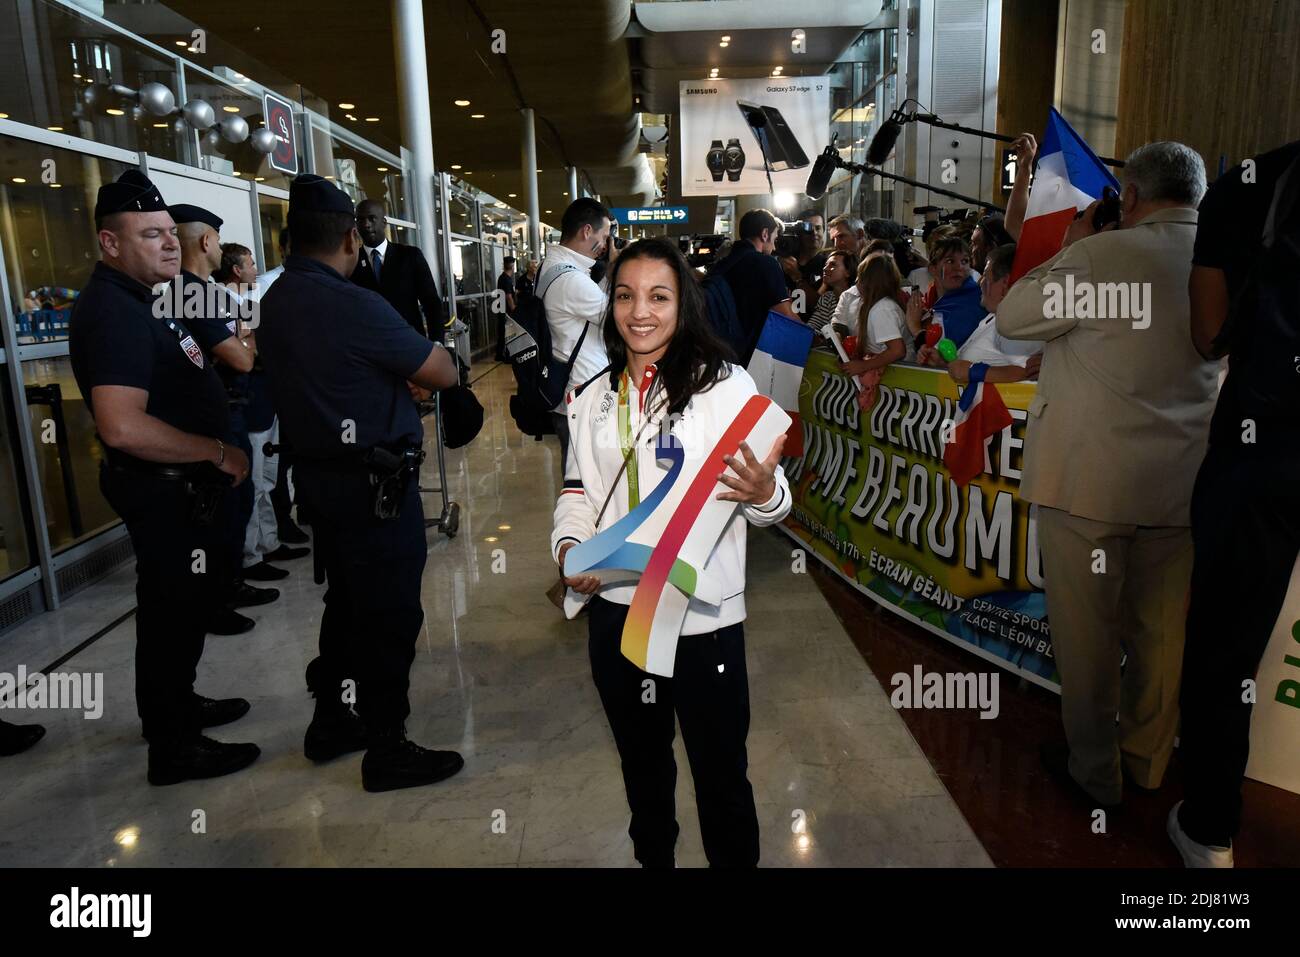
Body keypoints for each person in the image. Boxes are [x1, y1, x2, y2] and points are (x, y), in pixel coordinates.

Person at [552, 237, 791, 867]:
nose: (640, 312)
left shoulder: (725, 387)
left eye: (659, 296)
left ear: (683, 303)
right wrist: (569, 547)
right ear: (610, 305)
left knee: (722, 782)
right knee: (644, 777)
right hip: (617, 614)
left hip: (703, 622)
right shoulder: (591, 397)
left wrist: (765, 493)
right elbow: (577, 491)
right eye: (625, 295)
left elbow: (774, 497)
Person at [996, 141, 1219, 809]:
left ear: (1129, 198)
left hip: (1088, 486)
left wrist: (1070, 240)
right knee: (1160, 635)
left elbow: (1012, 317)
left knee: (1088, 638)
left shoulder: (1102, 254)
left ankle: (1096, 774)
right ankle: (1147, 764)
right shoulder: (1223, 259)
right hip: (1182, 485)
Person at [259, 174, 462, 793]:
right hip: (376, 493)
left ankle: (330, 719)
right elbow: (443, 370)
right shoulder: (355, 304)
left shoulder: (278, 298)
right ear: (351, 236)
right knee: (390, 615)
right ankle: (387, 745)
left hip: (320, 486)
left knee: (346, 606)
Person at [69, 170, 259, 785]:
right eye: (151, 235)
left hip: (185, 488)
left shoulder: (156, 295)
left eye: (170, 234)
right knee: (172, 610)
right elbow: (122, 426)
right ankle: (174, 748)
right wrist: (213, 451)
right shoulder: (114, 311)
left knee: (177, 608)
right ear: (111, 243)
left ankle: (175, 707)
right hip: (165, 487)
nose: (170, 244)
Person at [1170, 138, 1300, 868]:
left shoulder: (1250, 184)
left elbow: (1207, 337)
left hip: (1262, 453)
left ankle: (1211, 829)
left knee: (1225, 651)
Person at [171, 205, 280, 629]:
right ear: (205, 242)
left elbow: (247, 341)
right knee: (222, 510)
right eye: (217, 239)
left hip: (233, 407)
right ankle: (217, 596)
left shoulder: (208, 292)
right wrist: (244, 339)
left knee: (237, 504)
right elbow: (243, 357)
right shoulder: (190, 292)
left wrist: (244, 338)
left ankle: (231, 583)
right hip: (219, 411)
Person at [541, 197, 621, 466]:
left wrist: (609, 272)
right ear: (587, 231)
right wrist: (620, 268)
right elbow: (616, 317)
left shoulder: (552, 268)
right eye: (605, 235)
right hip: (583, 394)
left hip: (573, 393)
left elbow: (592, 307)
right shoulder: (571, 280)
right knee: (585, 481)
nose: (606, 244)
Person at [919, 243, 1042, 384]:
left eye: (986, 276)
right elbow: (969, 369)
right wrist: (944, 364)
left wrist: (973, 371)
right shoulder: (993, 318)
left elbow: (1027, 372)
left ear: (1004, 284)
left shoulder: (1016, 325)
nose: (980, 282)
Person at [711, 208, 798, 365]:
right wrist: (813, 338)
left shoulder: (721, 264)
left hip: (721, 354)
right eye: (774, 238)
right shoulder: (766, 263)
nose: (774, 247)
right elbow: (785, 315)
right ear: (765, 234)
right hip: (752, 356)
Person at [353, 198, 445, 341]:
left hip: (410, 343)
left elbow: (431, 302)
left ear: (384, 223)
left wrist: (437, 342)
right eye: (360, 220)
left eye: (372, 219)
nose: (366, 225)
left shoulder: (410, 256)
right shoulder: (352, 262)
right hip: (371, 347)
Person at [841, 255, 916, 408]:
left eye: (859, 277)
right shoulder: (881, 306)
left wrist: (863, 366)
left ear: (869, 282)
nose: (856, 282)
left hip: (901, 380)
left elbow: (897, 350)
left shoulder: (882, 309)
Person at [906, 234, 985, 349]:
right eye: (950, 261)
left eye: (965, 261)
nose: (959, 267)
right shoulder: (938, 299)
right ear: (932, 269)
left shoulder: (970, 304)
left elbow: (935, 357)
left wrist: (915, 327)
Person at [807, 249, 856, 334]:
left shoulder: (856, 298)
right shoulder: (827, 298)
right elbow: (812, 327)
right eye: (826, 265)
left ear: (848, 272)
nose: (825, 268)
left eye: (832, 264)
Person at [495, 255, 518, 361]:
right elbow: (508, 296)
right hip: (506, 311)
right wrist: (513, 309)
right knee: (508, 332)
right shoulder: (506, 279)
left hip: (501, 309)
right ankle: (507, 356)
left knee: (502, 332)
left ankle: (499, 354)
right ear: (512, 266)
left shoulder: (502, 277)